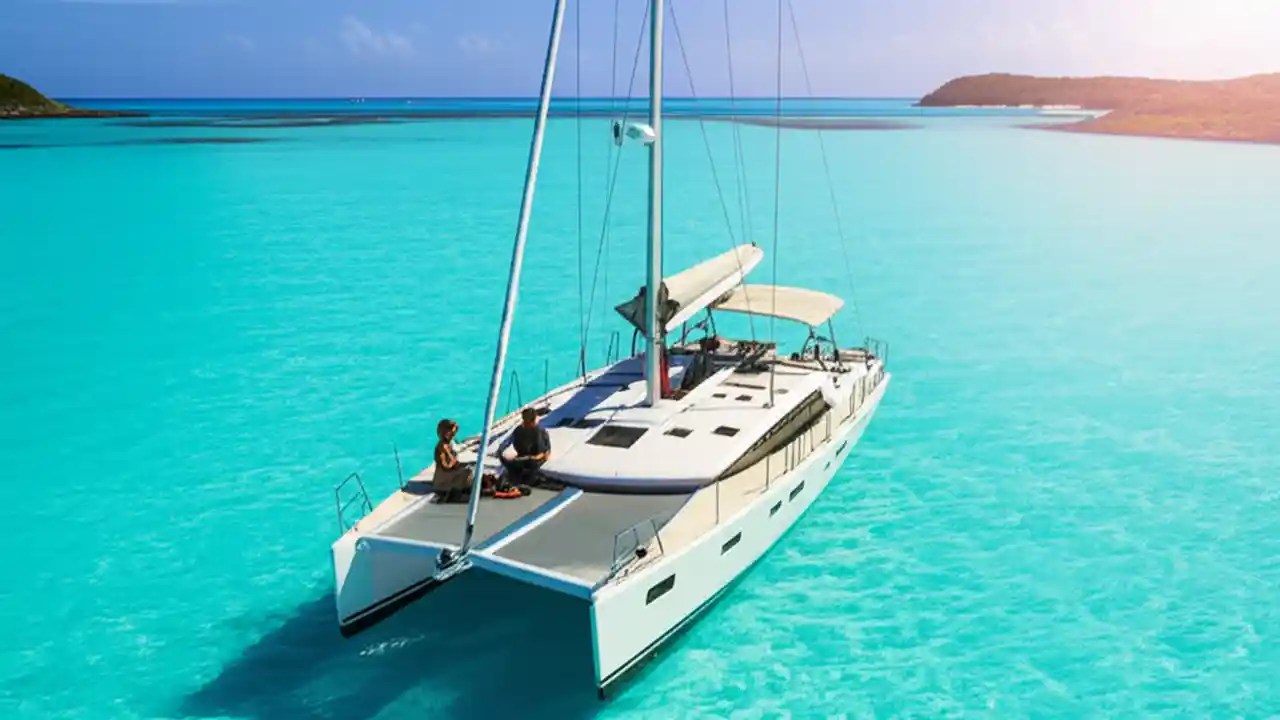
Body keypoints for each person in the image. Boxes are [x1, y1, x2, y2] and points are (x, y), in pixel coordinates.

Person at [500, 407, 551, 486]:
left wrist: (527, 458)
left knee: (528, 465)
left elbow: (542, 454)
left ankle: (528, 479)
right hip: (524, 456)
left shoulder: (538, 432)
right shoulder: (518, 430)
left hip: (535, 458)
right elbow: (517, 448)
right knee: (510, 463)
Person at [432, 419, 473, 501]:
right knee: (467, 471)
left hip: (451, 471)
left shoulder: (451, 442)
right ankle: (453, 494)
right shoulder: (442, 446)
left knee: (471, 469)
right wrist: (455, 464)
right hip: (442, 479)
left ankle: (465, 489)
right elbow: (445, 466)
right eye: (451, 433)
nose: (453, 435)